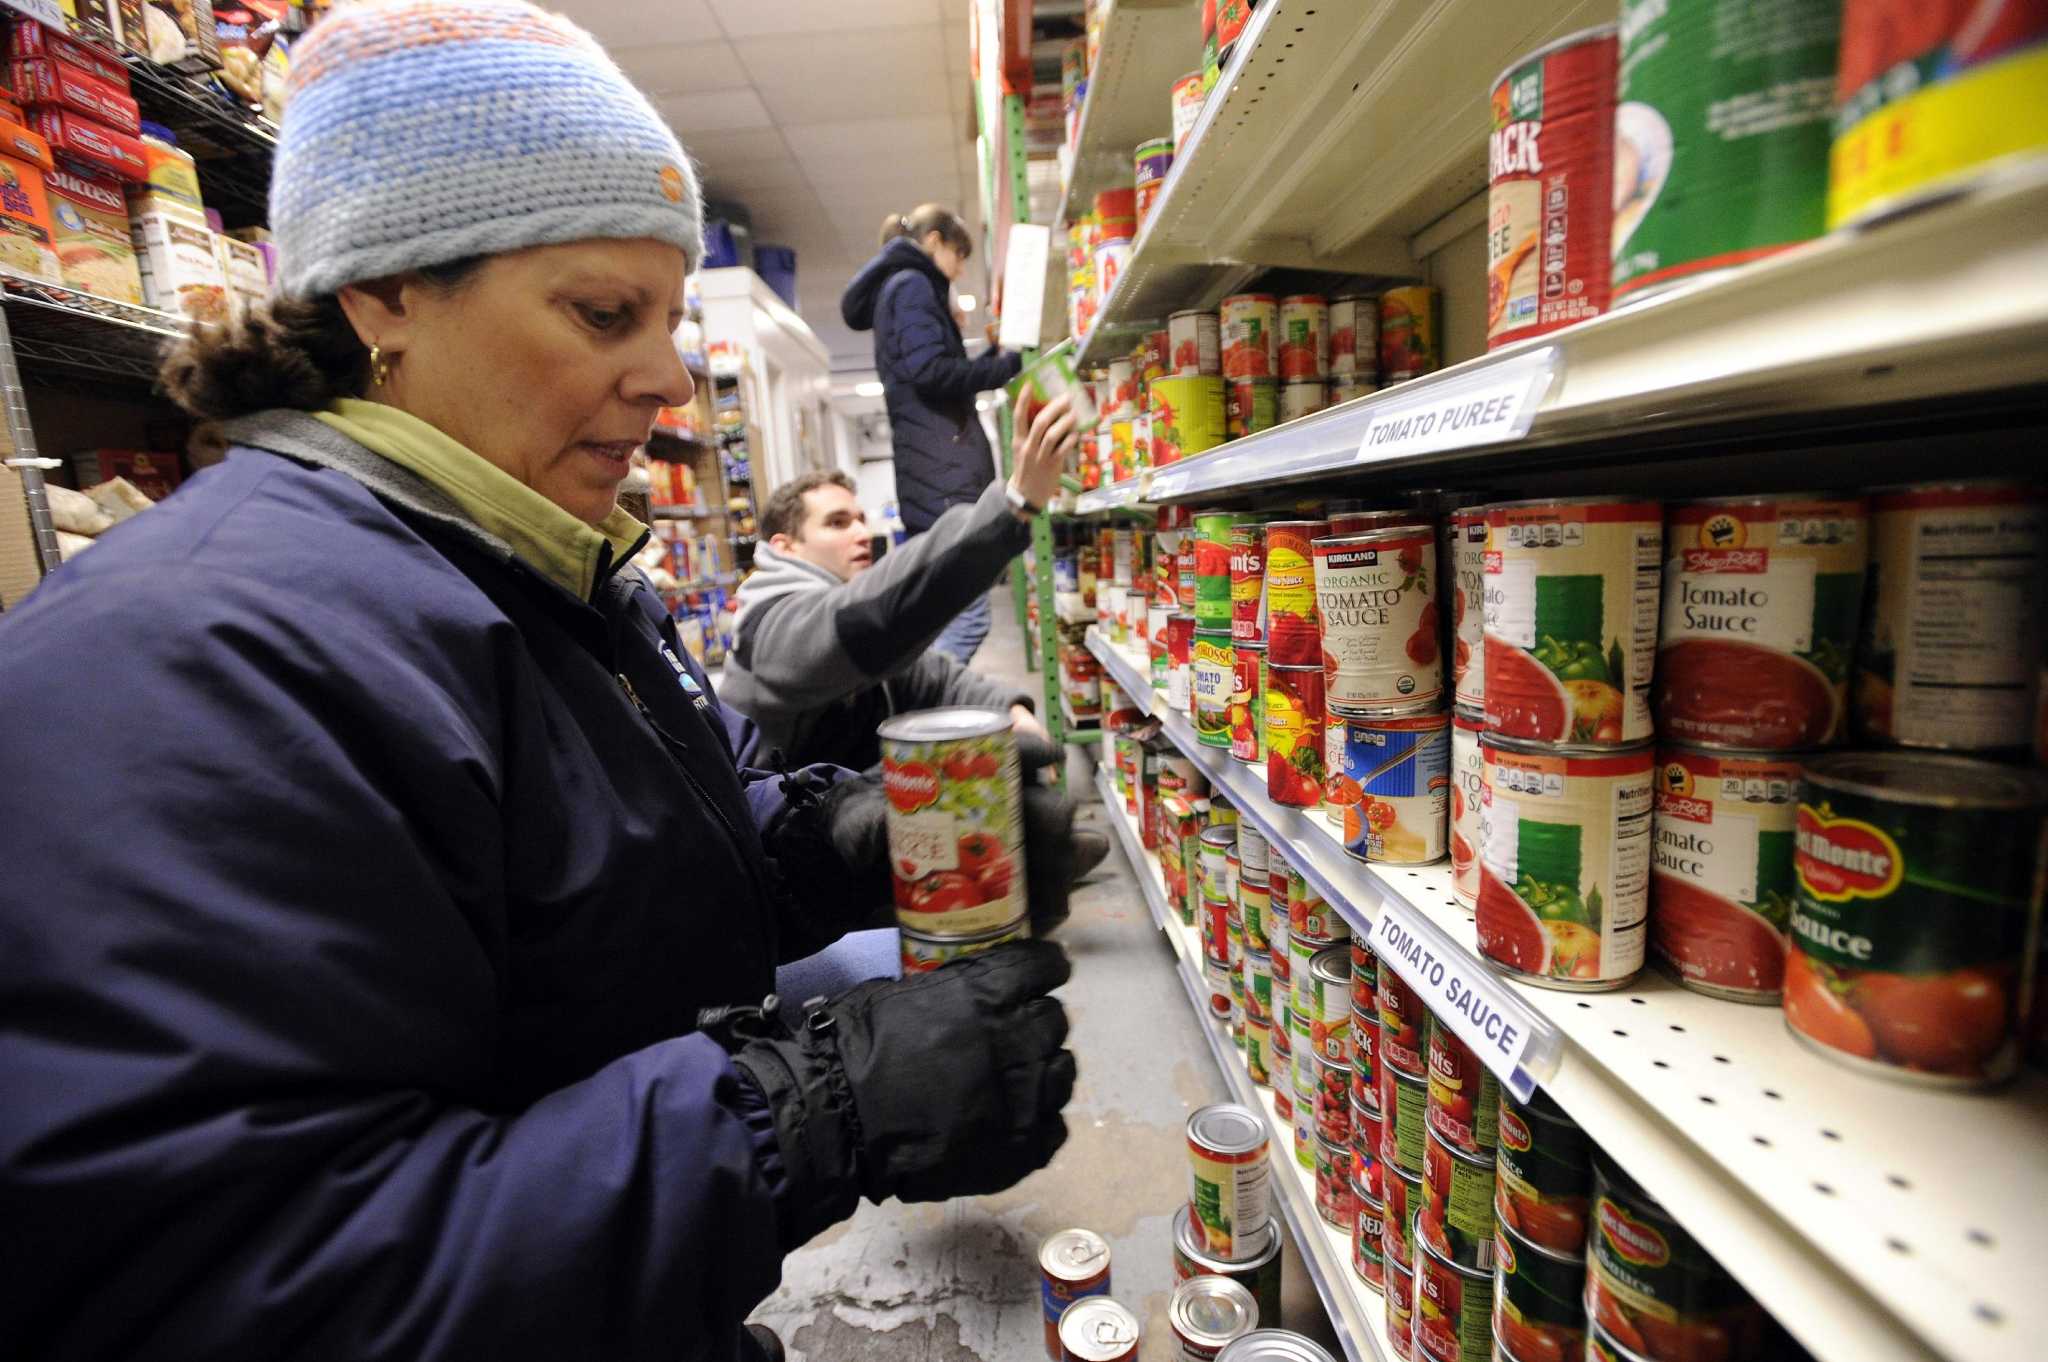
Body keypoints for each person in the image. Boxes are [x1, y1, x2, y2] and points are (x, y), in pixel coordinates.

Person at [0, 7, 1076, 1361]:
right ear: (385, 295)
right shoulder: (183, 661)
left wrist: (830, 840)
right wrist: (811, 1114)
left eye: (674, 316)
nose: (670, 373)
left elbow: (552, 895)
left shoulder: (515, 572)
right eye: (603, 311)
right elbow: (239, 1289)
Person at [720, 388, 1075, 774]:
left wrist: (1011, 710)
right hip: (787, 829)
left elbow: (935, 679)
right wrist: (1013, 503)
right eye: (838, 523)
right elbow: (870, 618)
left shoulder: (833, 604)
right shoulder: (774, 630)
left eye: (860, 520)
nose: (861, 534)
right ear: (785, 548)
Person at [841, 204, 1022, 664]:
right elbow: (931, 373)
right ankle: (927, 711)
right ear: (935, 241)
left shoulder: (903, 288)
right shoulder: (912, 285)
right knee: (969, 617)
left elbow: (933, 370)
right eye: (959, 256)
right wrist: (1002, 367)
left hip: (935, 470)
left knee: (947, 614)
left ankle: (928, 709)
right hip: (943, 475)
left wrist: (982, 360)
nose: (960, 269)